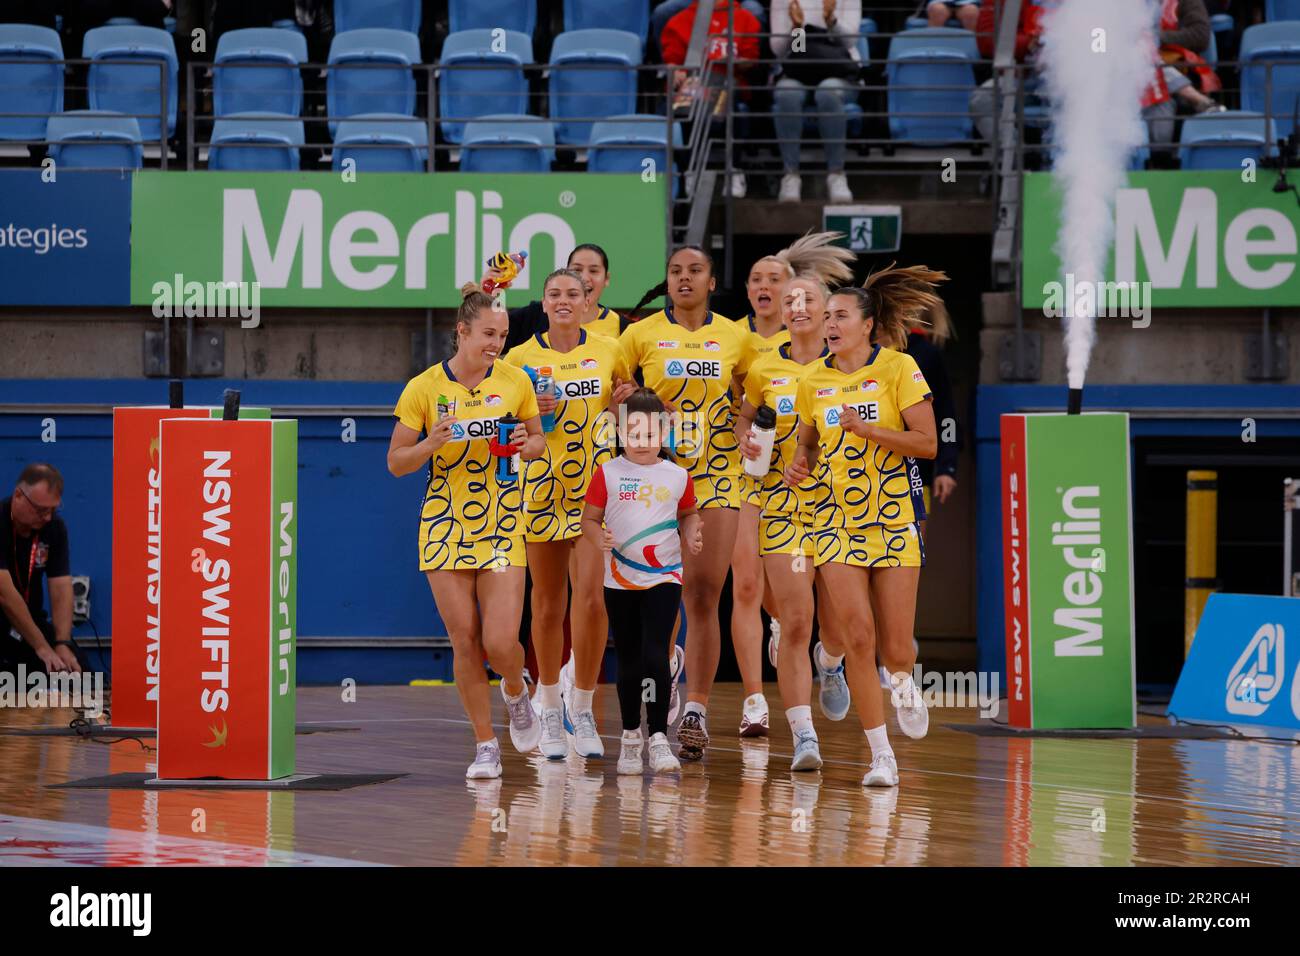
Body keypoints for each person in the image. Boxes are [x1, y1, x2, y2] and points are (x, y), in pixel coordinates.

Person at [786, 265, 943, 788]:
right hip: (833, 520)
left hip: (895, 516)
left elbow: (927, 444)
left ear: (868, 325)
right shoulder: (813, 379)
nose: (829, 323)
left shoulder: (899, 368)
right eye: (826, 316)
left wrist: (868, 428)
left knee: (897, 650)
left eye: (840, 316)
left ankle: (902, 682)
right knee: (858, 635)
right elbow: (806, 443)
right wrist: (800, 462)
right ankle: (881, 755)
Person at [387, 288, 547, 780]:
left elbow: (539, 443)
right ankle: (485, 745)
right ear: (462, 331)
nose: (495, 343)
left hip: (500, 524)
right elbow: (396, 462)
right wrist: (430, 443)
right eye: (487, 335)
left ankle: (517, 693)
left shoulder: (516, 381)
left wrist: (525, 443)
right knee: (464, 640)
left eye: (501, 335)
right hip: (443, 525)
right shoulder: (423, 388)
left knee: (501, 642)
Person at [622, 246, 752, 761]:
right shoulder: (640, 334)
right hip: (658, 474)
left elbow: (755, 392)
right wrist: (631, 398)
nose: (683, 278)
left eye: (694, 271)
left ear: (711, 280)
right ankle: (665, 673)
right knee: (657, 591)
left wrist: (747, 422)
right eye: (675, 270)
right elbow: (617, 384)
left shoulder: (735, 337)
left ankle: (696, 708)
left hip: (719, 473)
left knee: (701, 592)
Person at [504, 268, 634, 760]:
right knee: (546, 605)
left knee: (593, 601)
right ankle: (550, 708)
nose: (563, 301)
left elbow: (631, 408)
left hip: (594, 494)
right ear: (542, 303)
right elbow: (505, 425)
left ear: (587, 302)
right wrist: (525, 413)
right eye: (554, 294)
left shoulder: (609, 349)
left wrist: (624, 403)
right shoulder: (520, 359)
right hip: (540, 491)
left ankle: (583, 707)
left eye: (573, 294)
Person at [729, 232, 855, 738]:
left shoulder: (854, 363)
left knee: (843, 620)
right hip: (774, 498)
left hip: (844, 501)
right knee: (789, 612)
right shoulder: (762, 366)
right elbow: (743, 419)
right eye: (789, 302)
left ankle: (832, 659)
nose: (796, 307)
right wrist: (748, 443)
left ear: (828, 311)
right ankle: (795, 728)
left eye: (805, 299)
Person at [582, 388, 704, 775]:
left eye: (649, 435)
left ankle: (657, 738)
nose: (641, 442)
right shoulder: (608, 473)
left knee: (656, 653)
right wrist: (595, 536)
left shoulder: (678, 475)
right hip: (619, 580)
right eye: (633, 434)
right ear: (621, 432)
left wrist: (692, 533)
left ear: (664, 432)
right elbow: (588, 518)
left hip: (665, 576)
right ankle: (630, 738)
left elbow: (688, 515)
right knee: (630, 659)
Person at [660, 0, 763, 199]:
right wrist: (676, 71)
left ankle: (734, 170)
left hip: (729, 84)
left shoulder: (745, 18)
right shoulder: (680, 20)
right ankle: (690, 171)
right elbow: (672, 60)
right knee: (678, 110)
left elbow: (754, 59)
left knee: (740, 108)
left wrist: (737, 63)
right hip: (695, 86)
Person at [768, 0, 863, 203]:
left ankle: (836, 174)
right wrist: (796, 28)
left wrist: (832, 21)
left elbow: (849, 43)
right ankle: (791, 175)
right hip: (800, 68)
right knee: (786, 92)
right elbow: (780, 49)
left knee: (827, 92)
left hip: (839, 69)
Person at [0, 464, 83, 676]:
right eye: (41, 510)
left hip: (31, 622)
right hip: (3, 621)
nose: (47, 517)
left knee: (79, 674)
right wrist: (42, 648)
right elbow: (5, 593)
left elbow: (61, 586)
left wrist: (62, 642)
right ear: (18, 495)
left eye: (53, 509)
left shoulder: (54, 527)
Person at [493, 244, 627, 354]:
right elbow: (491, 333)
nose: (585, 278)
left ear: (607, 278)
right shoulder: (535, 316)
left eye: (593, 271)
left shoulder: (623, 328)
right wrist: (491, 292)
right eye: (577, 270)